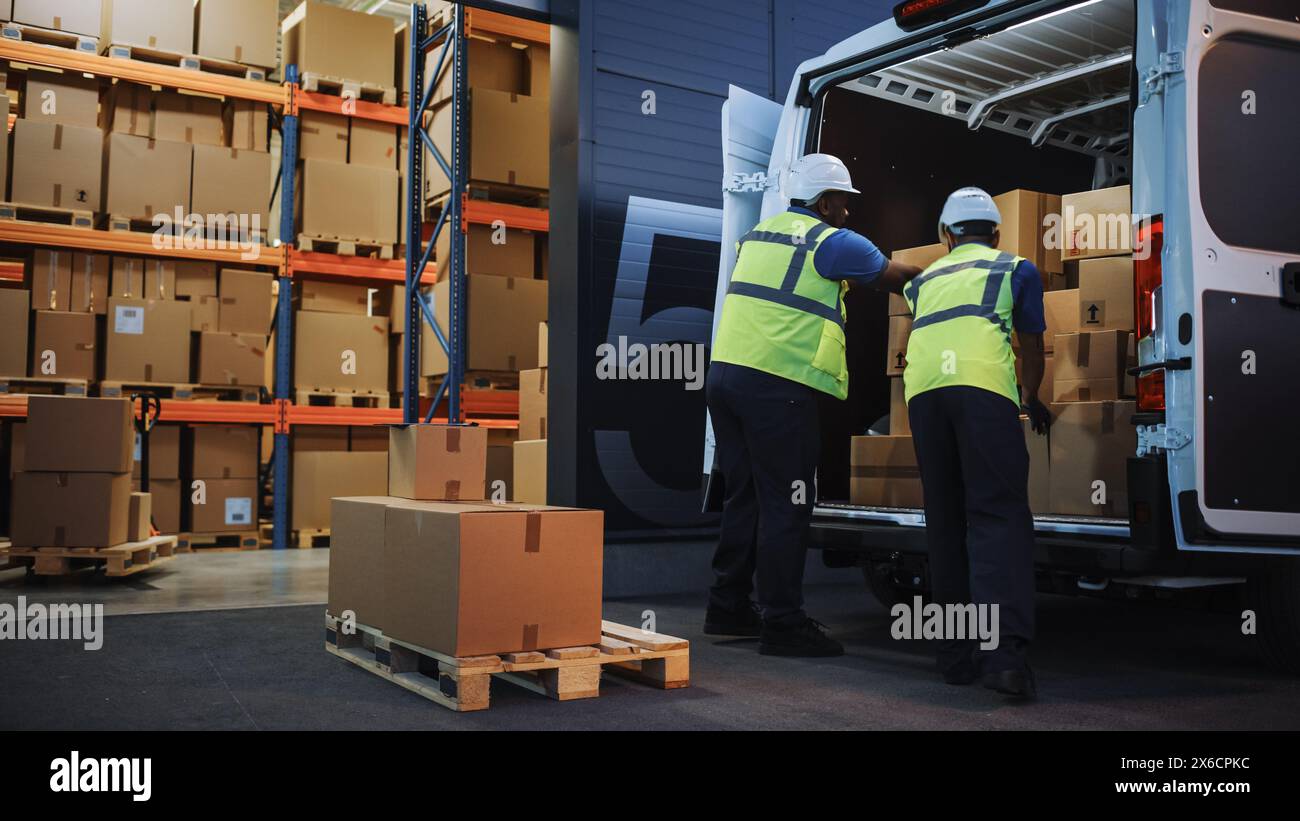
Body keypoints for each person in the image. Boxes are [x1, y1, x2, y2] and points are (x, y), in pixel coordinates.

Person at [705, 153, 923, 657]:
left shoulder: (760, 234)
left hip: (726, 376)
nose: (848, 212)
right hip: (775, 385)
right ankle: (783, 622)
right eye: (844, 202)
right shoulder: (831, 241)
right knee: (789, 502)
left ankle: (728, 606)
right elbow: (895, 276)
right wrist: (951, 266)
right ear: (825, 203)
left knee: (745, 497)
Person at [902, 186, 1050, 698]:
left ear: (946, 235)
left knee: (945, 521)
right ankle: (1003, 661)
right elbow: (1032, 347)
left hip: (922, 394)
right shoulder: (1016, 269)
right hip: (983, 391)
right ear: (996, 233)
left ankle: (954, 658)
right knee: (997, 517)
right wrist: (1031, 396)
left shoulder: (921, 282)